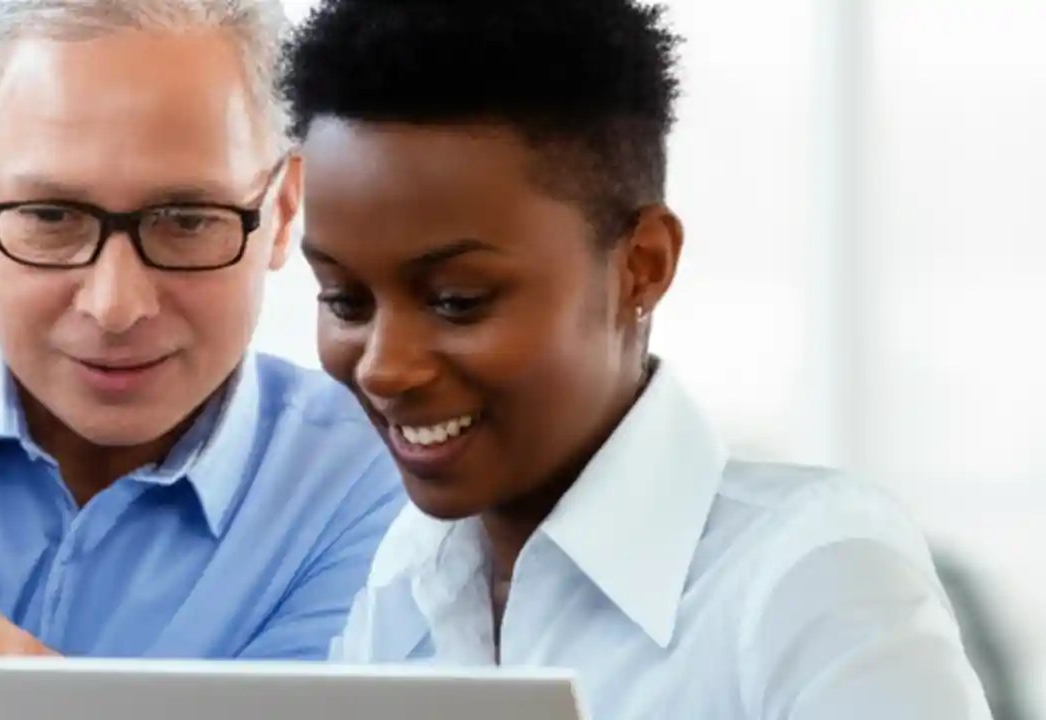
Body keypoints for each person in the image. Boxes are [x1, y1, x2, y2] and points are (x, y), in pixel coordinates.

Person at [283, 0, 994, 717]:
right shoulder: (407, 578)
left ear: (641, 267)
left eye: (458, 300)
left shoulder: (812, 577)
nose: (382, 367)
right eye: (345, 300)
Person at [0, 1, 403, 716]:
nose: (115, 306)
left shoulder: (370, 491)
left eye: (187, 221)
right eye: (51, 216)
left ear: (286, 209)